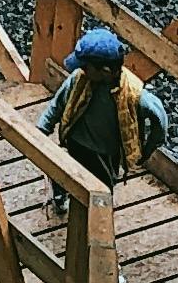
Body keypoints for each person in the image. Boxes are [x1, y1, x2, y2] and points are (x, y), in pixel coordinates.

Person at [38, 26, 167, 182]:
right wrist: (41, 130)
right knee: (64, 175)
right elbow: (57, 104)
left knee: (101, 189)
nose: (81, 70)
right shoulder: (79, 79)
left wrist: (148, 148)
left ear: (105, 71)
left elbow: (159, 116)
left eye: (85, 67)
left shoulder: (131, 94)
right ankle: (61, 199)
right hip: (75, 142)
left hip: (104, 155)